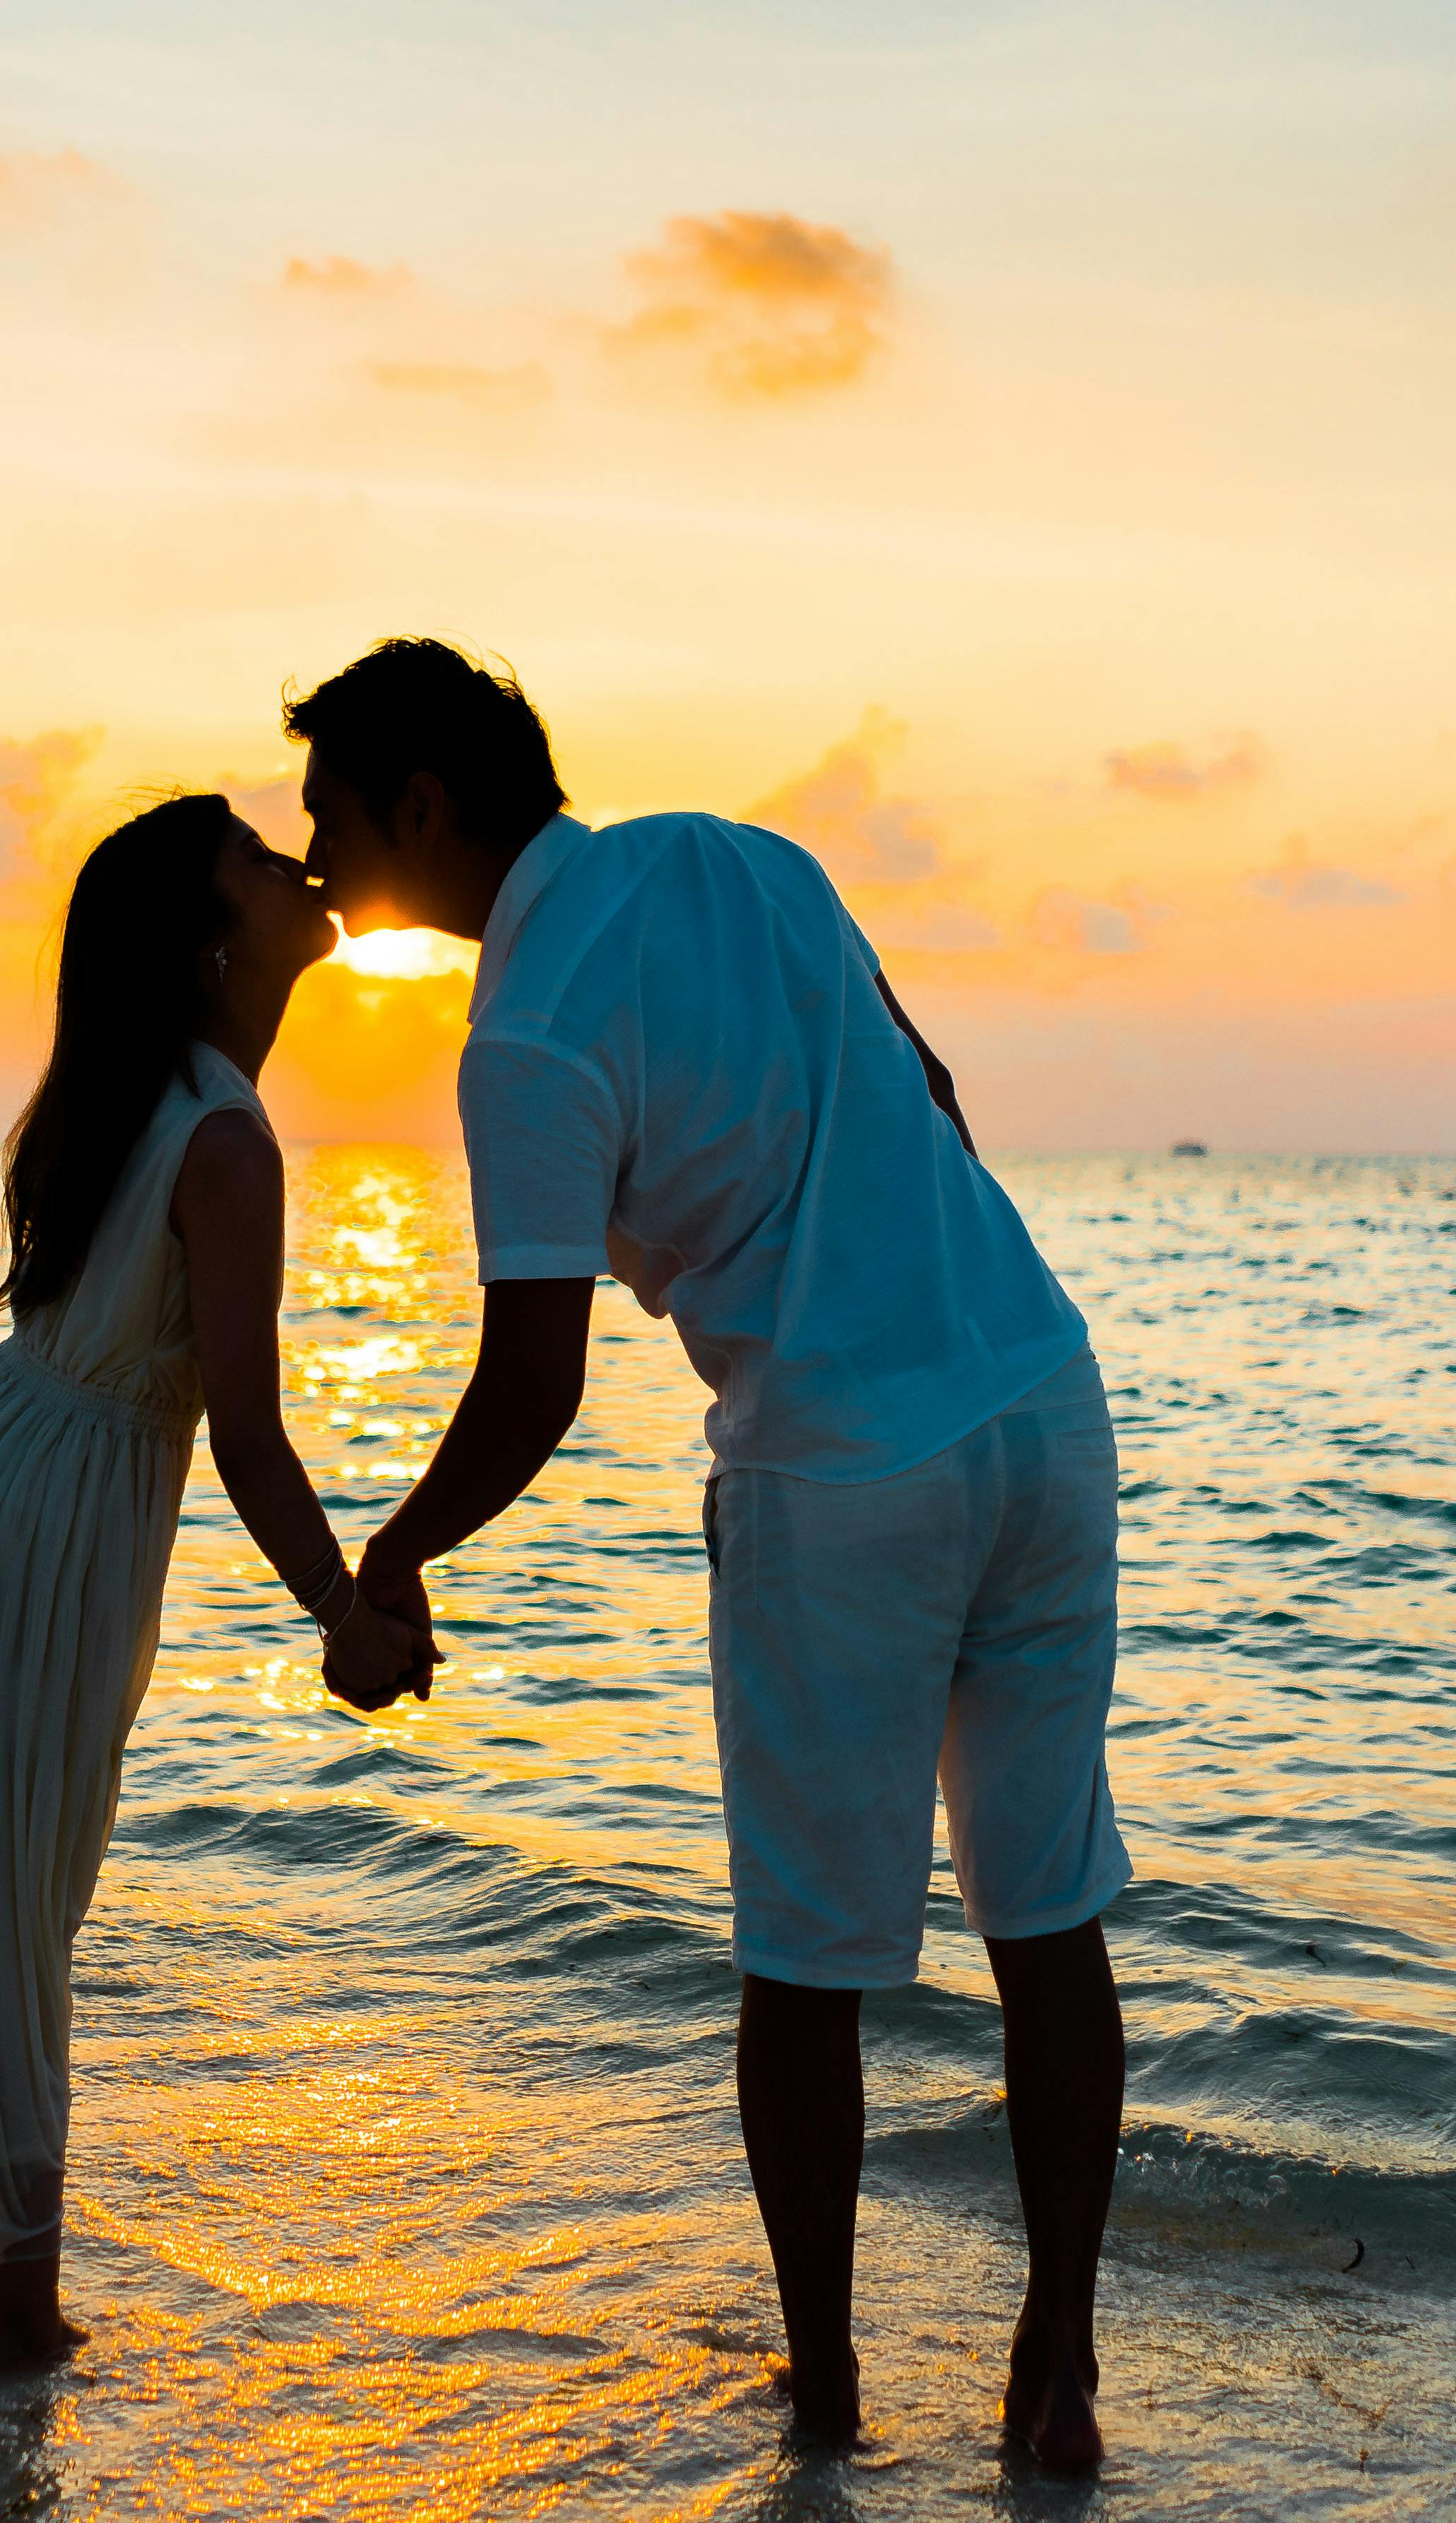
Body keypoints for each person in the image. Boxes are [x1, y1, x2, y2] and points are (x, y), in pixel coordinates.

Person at [292, 641, 1129, 2470]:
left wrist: (394, 1551)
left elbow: (528, 1379)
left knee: (804, 1964)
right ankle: (1053, 2358)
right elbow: (934, 1085)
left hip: (838, 1469)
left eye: (329, 818)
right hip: (1040, 1396)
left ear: (422, 805)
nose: (315, 860)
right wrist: (927, 1301)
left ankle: (826, 2390)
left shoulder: (520, 1035)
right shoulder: (744, 856)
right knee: (1042, 1909)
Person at [0, 793, 433, 2369]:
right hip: (43, 1517)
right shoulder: (219, 1134)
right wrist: (343, 1618)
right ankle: (21, 2310)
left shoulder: (148, 1098)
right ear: (213, 939)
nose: (288, 854)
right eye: (245, 849)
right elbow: (252, 1441)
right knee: (17, 1902)